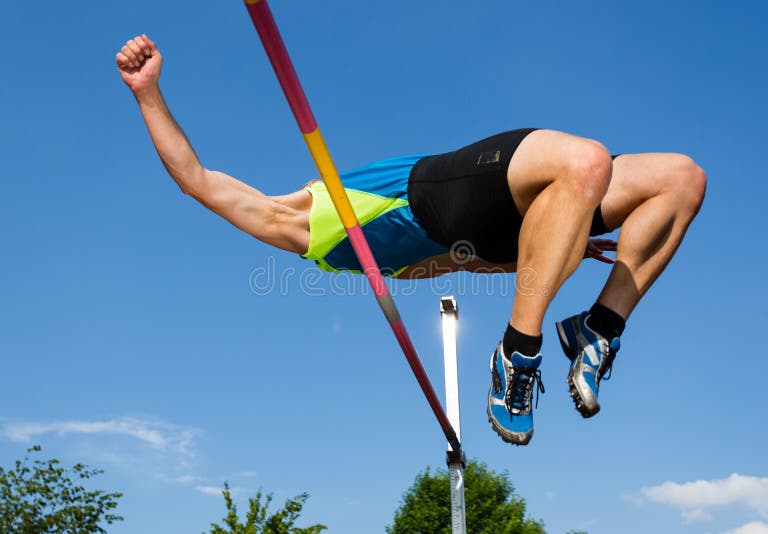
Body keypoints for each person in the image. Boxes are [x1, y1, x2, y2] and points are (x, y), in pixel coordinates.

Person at [117, 35, 706, 446]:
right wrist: (147, 94)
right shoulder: (300, 231)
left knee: (680, 180)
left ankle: (595, 330)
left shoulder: (324, 209)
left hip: (439, 192)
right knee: (586, 163)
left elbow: (475, 264)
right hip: (467, 232)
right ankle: (518, 352)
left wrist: (556, 237)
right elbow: (196, 181)